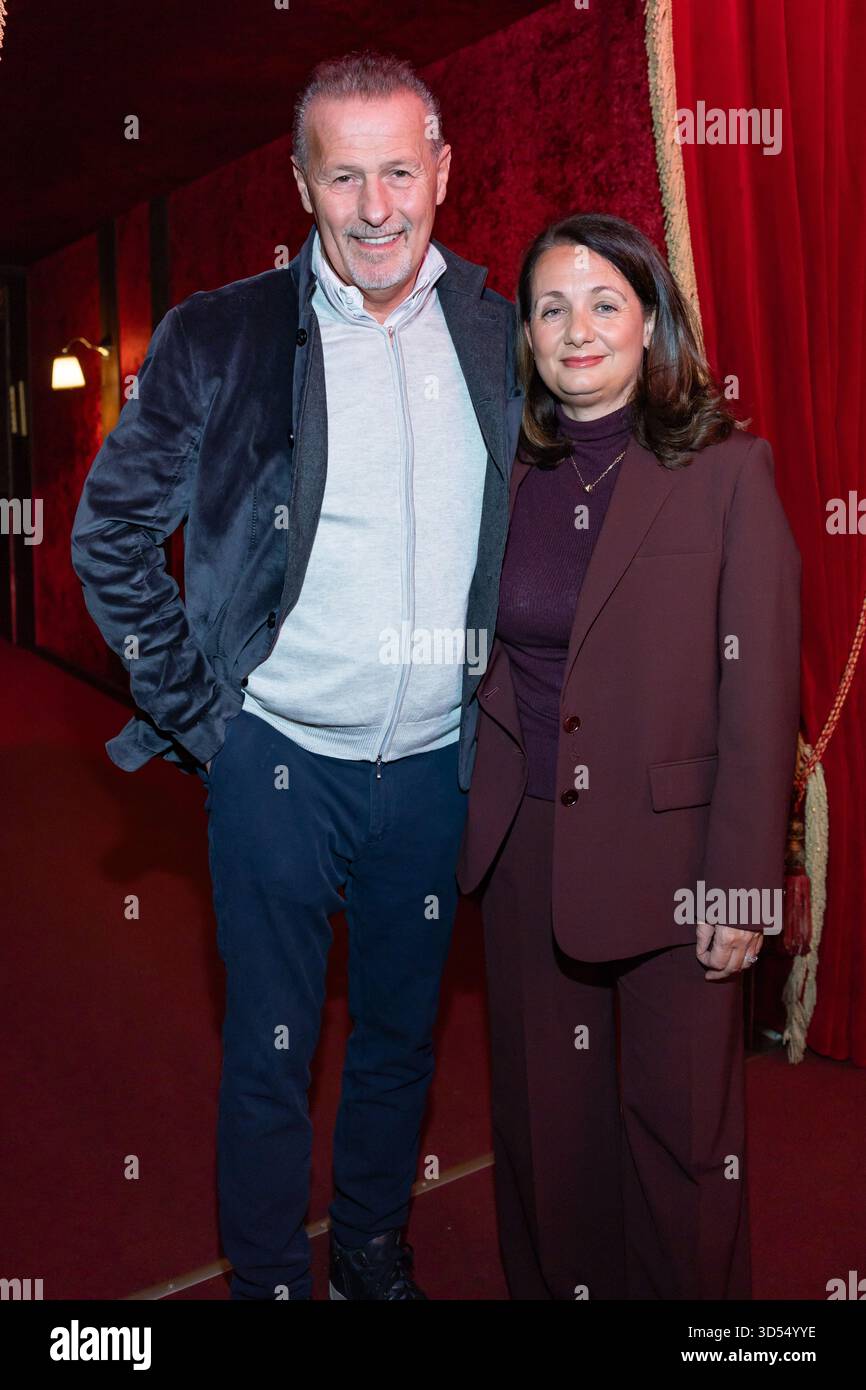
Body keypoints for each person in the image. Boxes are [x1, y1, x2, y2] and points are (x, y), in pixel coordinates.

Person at [71, 49, 523, 1301]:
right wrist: (208, 720)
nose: (375, 207)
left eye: (397, 169)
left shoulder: (498, 333)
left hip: (434, 769)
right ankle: (269, 1278)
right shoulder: (223, 334)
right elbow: (106, 535)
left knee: (396, 1041)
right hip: (275, 762)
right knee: (271, 1053)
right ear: (300, 184)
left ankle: (372, 1250)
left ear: (440, 170)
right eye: (342, 176)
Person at [457, 213, 801, 1300]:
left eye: (603, 302)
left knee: (680, 1144)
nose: (575, 328)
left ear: (649, 322)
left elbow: (757, 694)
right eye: (550, 308)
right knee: (545, 1140)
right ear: (527, 336)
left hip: (679, 859)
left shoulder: (726, 471)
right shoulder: (497, 475)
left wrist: (744, 882)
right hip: (526, 854)